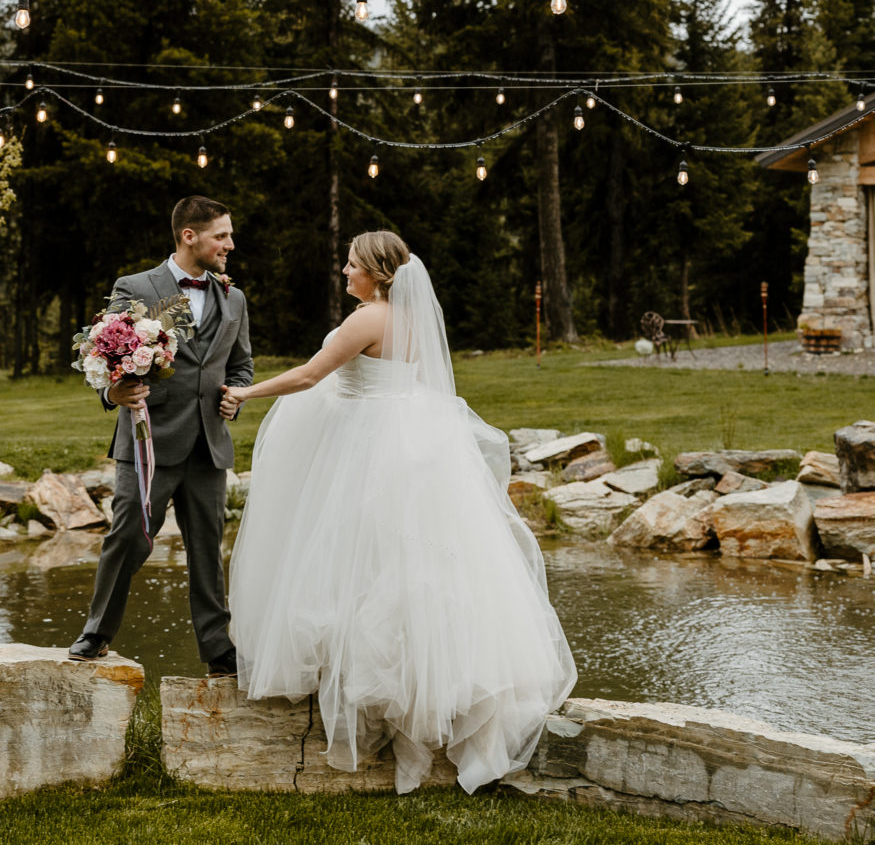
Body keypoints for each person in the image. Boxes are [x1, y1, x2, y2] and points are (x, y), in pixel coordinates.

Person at [220, 230, 576, 794]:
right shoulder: (411, 319)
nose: (343, 270)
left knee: (363, 570)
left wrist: (243, 392)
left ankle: (389, 714)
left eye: (352, 264)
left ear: (378, 275)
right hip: (415, 440)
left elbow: (311, 375)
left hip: (370, 448)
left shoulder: (369, 318)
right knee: (419, 574)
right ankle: (432, 708)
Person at [69, 196, 252, 675]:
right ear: (189, 236)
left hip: (208, 444)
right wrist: (115, 393)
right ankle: (97, 632)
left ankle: (218, 649)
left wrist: (238, 393)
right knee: (128, 533)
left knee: (208, 549)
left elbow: (241, 365)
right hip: (149, 440)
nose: (230, 244)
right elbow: (105, 358)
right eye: (222, 235)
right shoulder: (135, 287)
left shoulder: (233, 297)